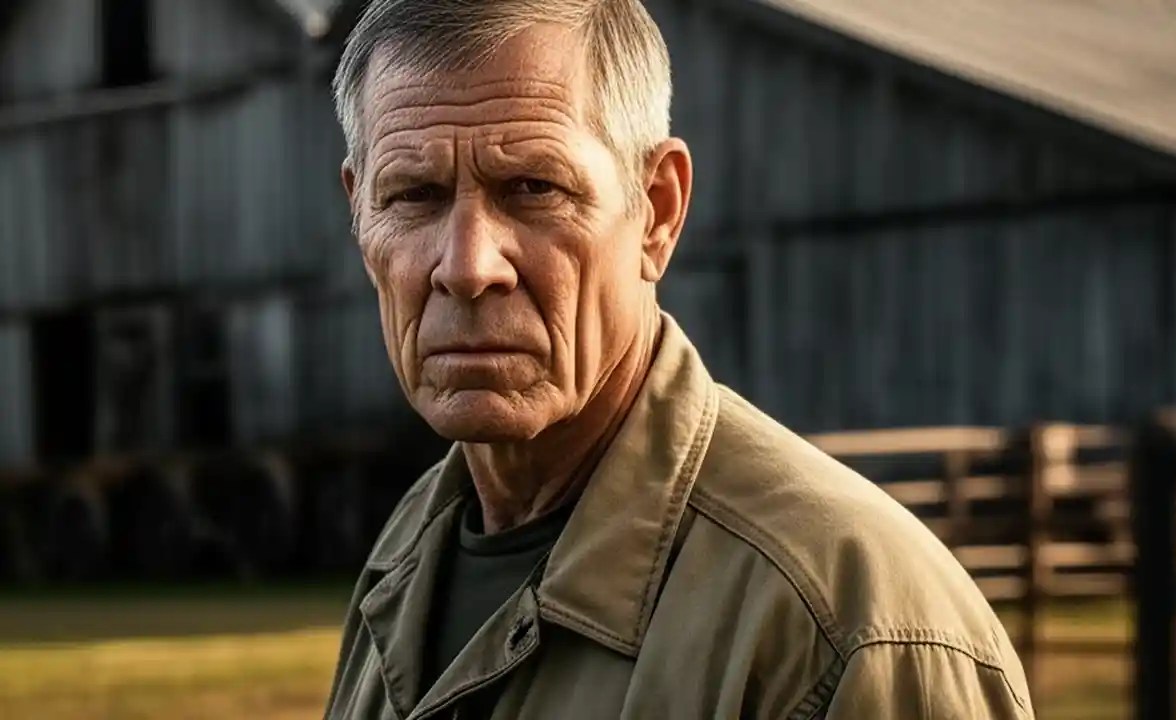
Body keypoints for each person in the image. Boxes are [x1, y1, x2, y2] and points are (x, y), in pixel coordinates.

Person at [323, 1, 1033, 717]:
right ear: (360, 213)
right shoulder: (409, 553)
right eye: (413, 195)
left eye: (534, 188)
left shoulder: (848, 626)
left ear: (657, 212)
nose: (468, 266)